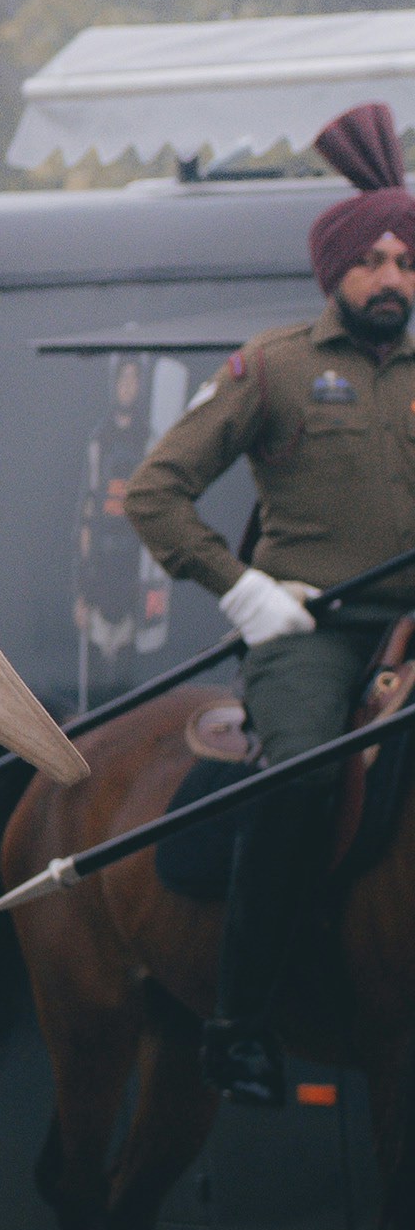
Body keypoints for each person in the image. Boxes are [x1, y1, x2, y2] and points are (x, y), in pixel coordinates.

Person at [124, 100, 415, 1108]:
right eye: (372, 259)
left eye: (406, 260)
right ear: (334, 270)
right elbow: (156, 491)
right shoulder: (275, 364)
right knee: (296, 778)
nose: (392, 277)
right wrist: (244, 591)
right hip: (315, 631)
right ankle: (239, 1018)